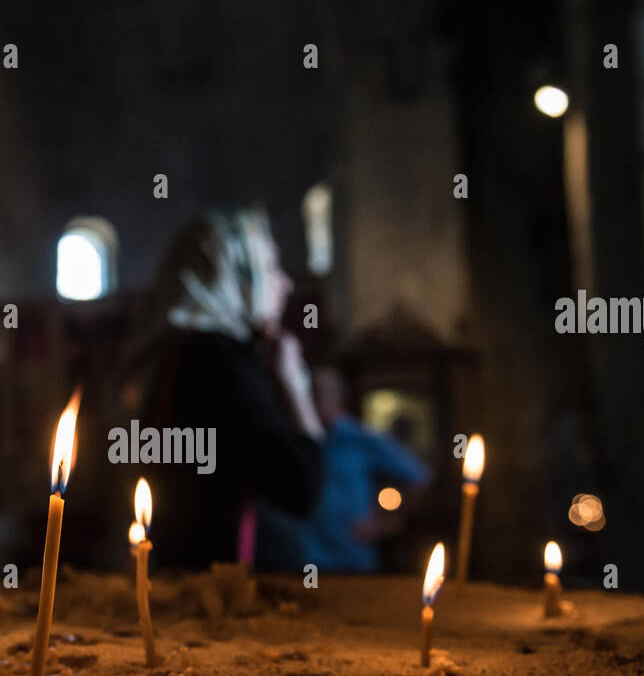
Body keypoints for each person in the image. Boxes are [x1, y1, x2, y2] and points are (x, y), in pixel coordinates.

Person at [112, 206, 324, 569]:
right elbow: (302, 488)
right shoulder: (220, 359)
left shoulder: (166, 352)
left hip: (185, 566)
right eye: (271, 267)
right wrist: (294, 387)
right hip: (235, 589)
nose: (285, 283)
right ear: (234, 274)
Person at [298, 366, 430, 572]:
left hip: (351, 561)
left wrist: (384, 524)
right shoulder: (300, 439)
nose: (310, 402)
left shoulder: (360, 439)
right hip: (306, 560)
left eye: (317, 393)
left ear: (337, 398)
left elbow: (418, 478)